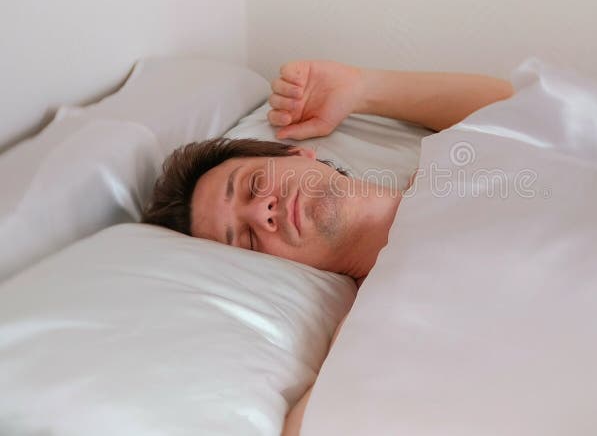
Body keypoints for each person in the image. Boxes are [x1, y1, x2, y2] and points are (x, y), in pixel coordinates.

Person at [141, 60, 513, 435]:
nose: (260, 210)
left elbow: (518, 108)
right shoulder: (379, 317)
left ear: (296, 154)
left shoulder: (456, 163)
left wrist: (361, 89)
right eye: (247, 238)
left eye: (253, 184)